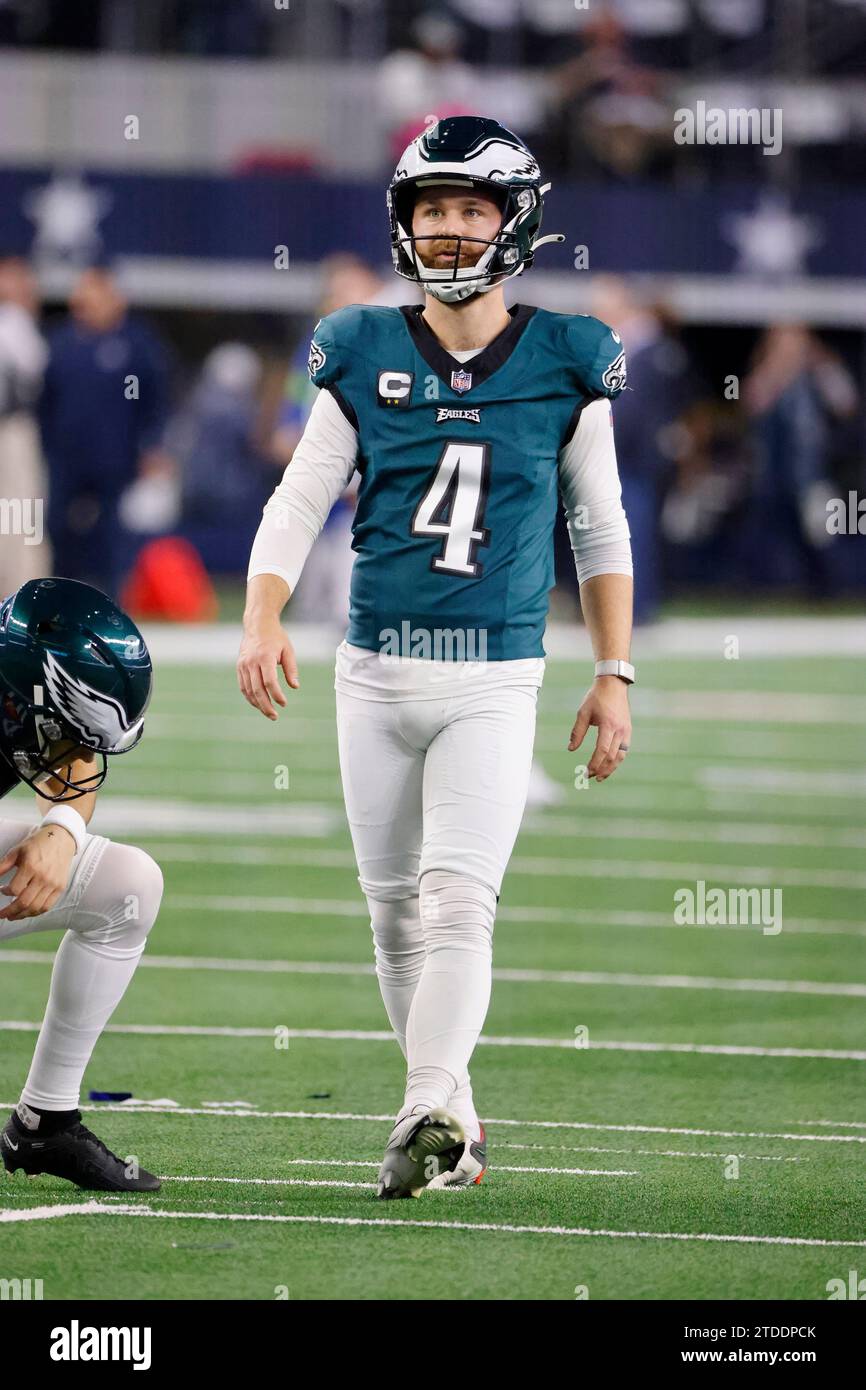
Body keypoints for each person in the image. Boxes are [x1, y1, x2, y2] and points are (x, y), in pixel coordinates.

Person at [239, 116, 634, 1199]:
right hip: (370, 672)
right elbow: (298, 495)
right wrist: (261, 613)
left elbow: (597, 526)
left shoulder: (566, 355)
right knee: (391, 912)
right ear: (403, 223)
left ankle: (419, 1105)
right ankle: (453, 1116)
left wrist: (613, 670)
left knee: (457, 899)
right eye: (432, 210)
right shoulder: (359, 344)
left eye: (471, 209)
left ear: (514, 223)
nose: (450, 230)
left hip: (492, 675)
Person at [0, 576, 164, 1190]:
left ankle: (46, 1120)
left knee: (127, 885)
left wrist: (63, 828)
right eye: (68, 728)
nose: (76, 753)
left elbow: (78, 763)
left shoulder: (15, 686)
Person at [38, 265, 174, 597]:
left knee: (114, 536)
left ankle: (112, 604)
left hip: (116, 459)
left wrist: (152, 445)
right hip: (66, 459)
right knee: (58, 530)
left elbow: (156, 399)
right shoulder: (61, 343)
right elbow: (44, 402)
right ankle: (57, 598)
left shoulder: (137, 344)